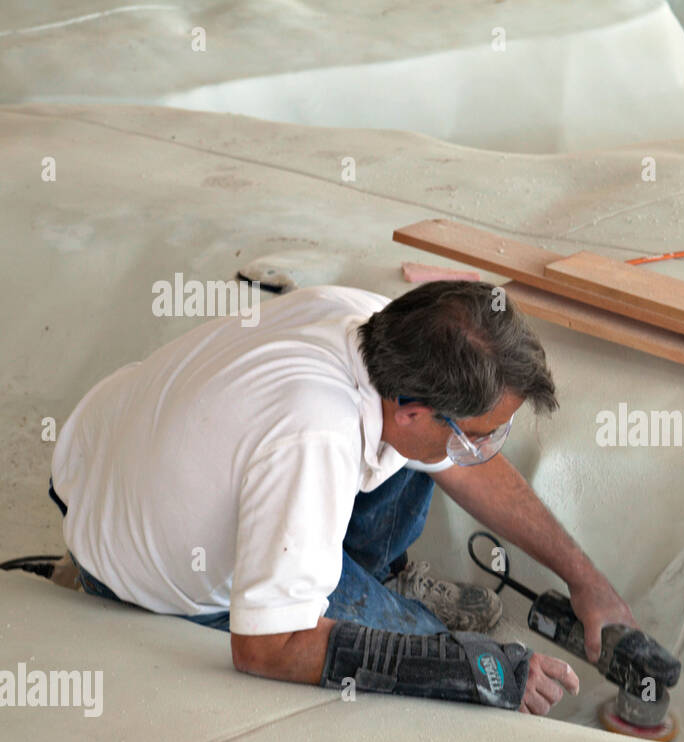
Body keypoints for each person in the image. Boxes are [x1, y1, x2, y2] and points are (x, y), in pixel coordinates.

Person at [48, 280, 637, 716]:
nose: (485, 451)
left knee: (429, 457)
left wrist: (586, 581)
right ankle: (363, 595)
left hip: (119, 458)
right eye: (481, 434)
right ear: (411, 410)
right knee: (435, 659)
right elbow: (267, 647)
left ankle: (379, 574)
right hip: (138, 566)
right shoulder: (313, 438)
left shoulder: (369, 321)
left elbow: (463, 463)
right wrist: (470, 669)